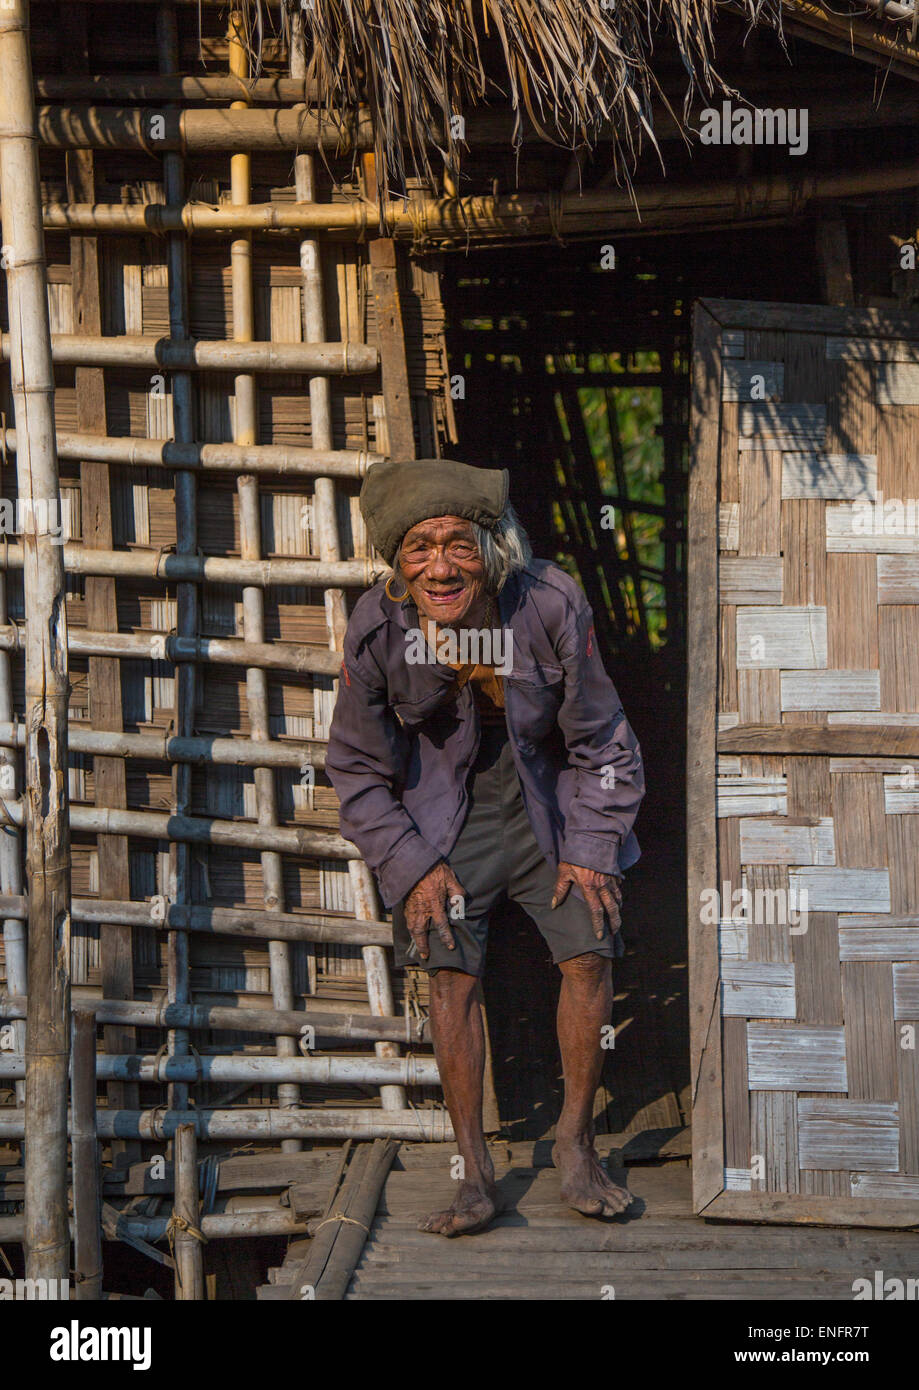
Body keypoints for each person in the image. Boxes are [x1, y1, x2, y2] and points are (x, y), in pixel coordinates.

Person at [325, 458, 645, 1236]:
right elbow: (357, 769)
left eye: (459, 546)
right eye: (419, 550)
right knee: (448, 970)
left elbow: (600, 738)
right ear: (396, 564)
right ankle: (474, 1173)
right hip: (443, 811)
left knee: (588, 947)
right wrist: (412, 864)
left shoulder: (546, 601)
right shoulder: (379, 628)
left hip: (547, 796)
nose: (439, 567)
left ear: (493, 549)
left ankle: (575, 1145)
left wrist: (592, 845)